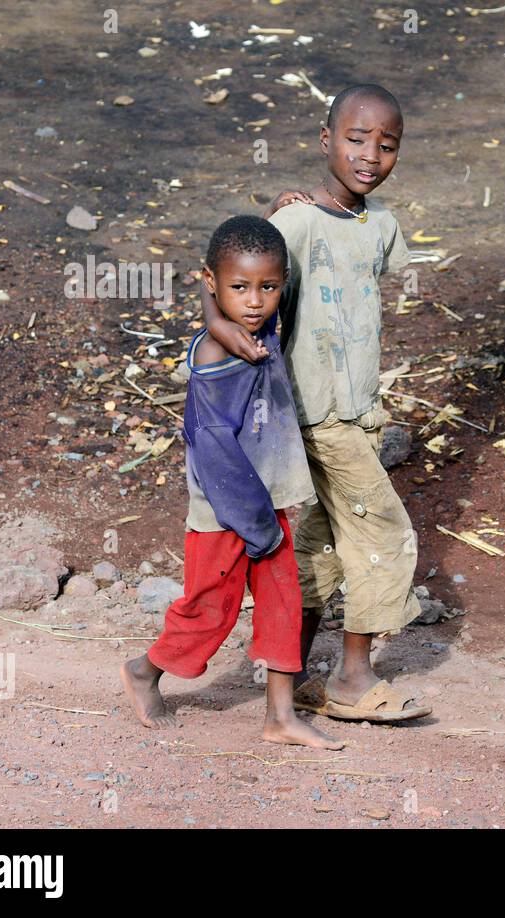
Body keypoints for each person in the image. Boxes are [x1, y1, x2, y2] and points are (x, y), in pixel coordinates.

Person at [202, 84, 431, 722]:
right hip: (315, 412)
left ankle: (294, 674)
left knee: (325, 541)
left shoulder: (380, 225)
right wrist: (226, 335)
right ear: (325, 140)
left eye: (387, 145)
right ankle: (353, 679)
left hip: (358, 411)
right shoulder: (296, 222)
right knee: (381, 530)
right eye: (356, 139)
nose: (370, 155)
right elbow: (229, 281)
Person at [120, 215, 344, 748]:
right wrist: (254, 525)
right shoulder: (219, 353)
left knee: (284, 606)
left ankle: (280, 717)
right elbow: (215, 451)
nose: (254, 300)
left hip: (271, 507)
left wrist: (271, 210)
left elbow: (240, 271)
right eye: (239, 288)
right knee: (209, 611)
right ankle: (145, 671)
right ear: (213, 282)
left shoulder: (257, 327)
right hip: (227, 515)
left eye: (268, 287)